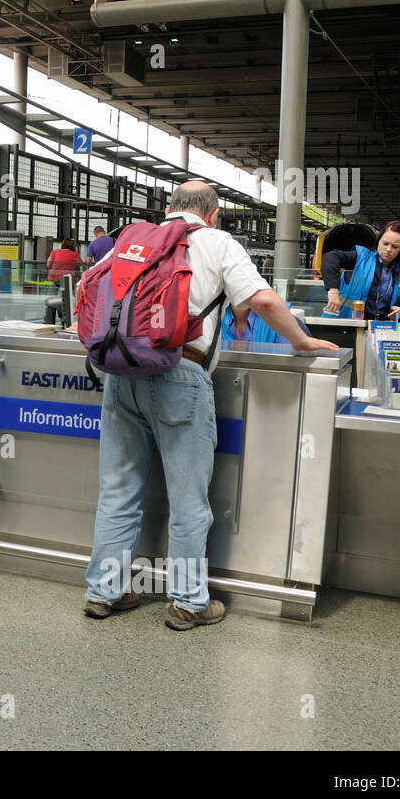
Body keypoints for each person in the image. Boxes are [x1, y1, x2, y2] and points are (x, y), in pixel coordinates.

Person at [83, 181, 339, 630]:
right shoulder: (218, 242)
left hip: (120, 377)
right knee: (188, 500)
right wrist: (301, 340)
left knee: (118, 492)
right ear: (213, 214)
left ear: (169, 209)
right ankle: (188, 601)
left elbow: (90, 291)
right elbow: (261, 298)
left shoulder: (131, 238)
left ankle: (104, 592)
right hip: (181, 375)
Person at [322, 221, 400, 321]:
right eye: (385, 243)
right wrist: (333, 290)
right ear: (378, 241)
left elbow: (397, 303)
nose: (388, 249)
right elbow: (330, 258)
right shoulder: (361, 257)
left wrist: (398, 311)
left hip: (378, 327)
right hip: (344, 323)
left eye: (395, 246)